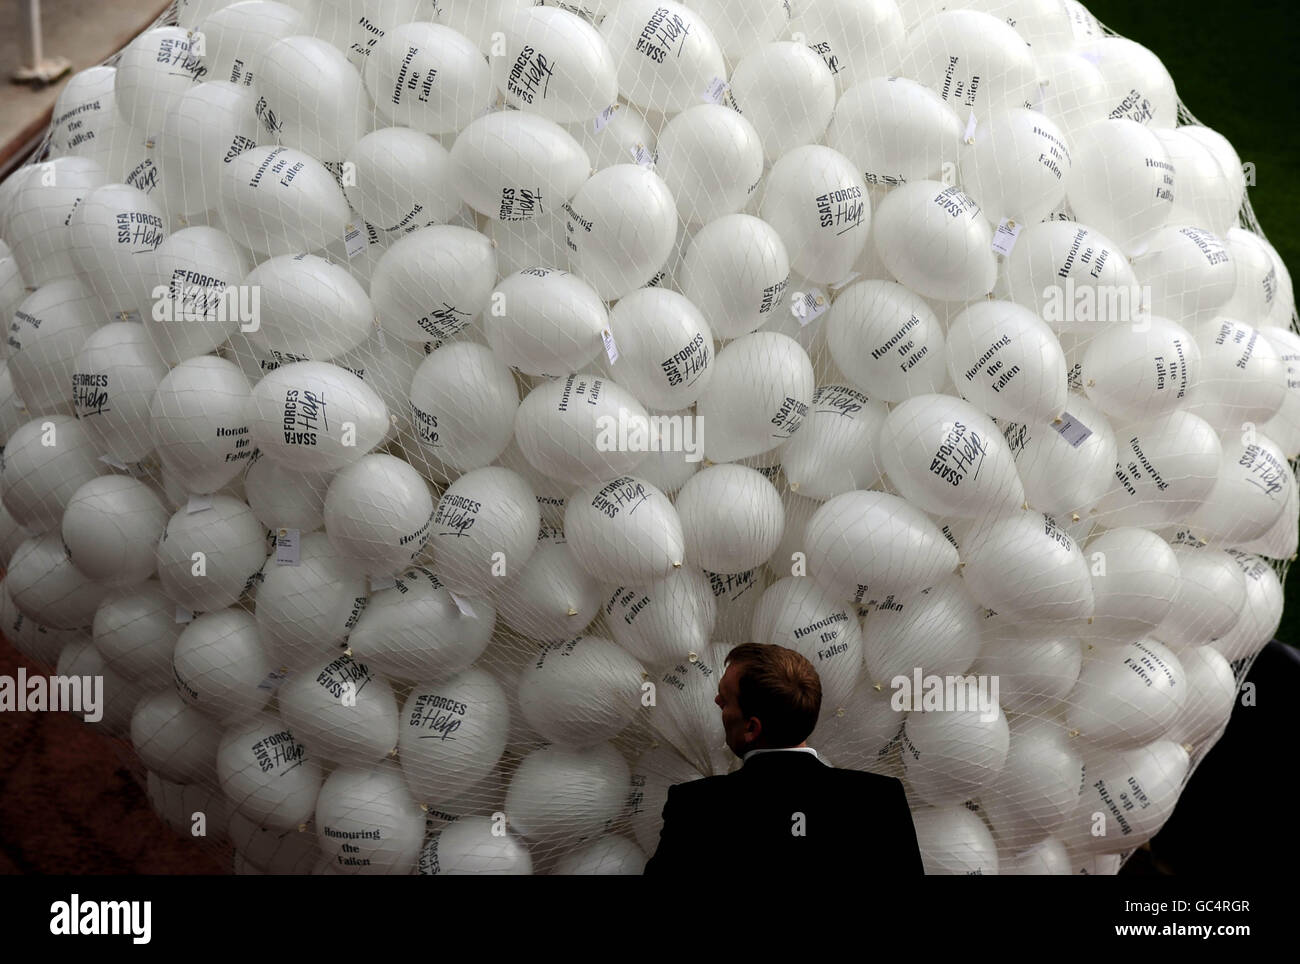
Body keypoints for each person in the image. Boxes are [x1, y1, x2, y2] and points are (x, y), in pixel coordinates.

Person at [644, 642, 924, 876]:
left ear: (752, 728)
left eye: (725, 699)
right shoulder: (881, 800)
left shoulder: (695, 807)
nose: (717, 701)